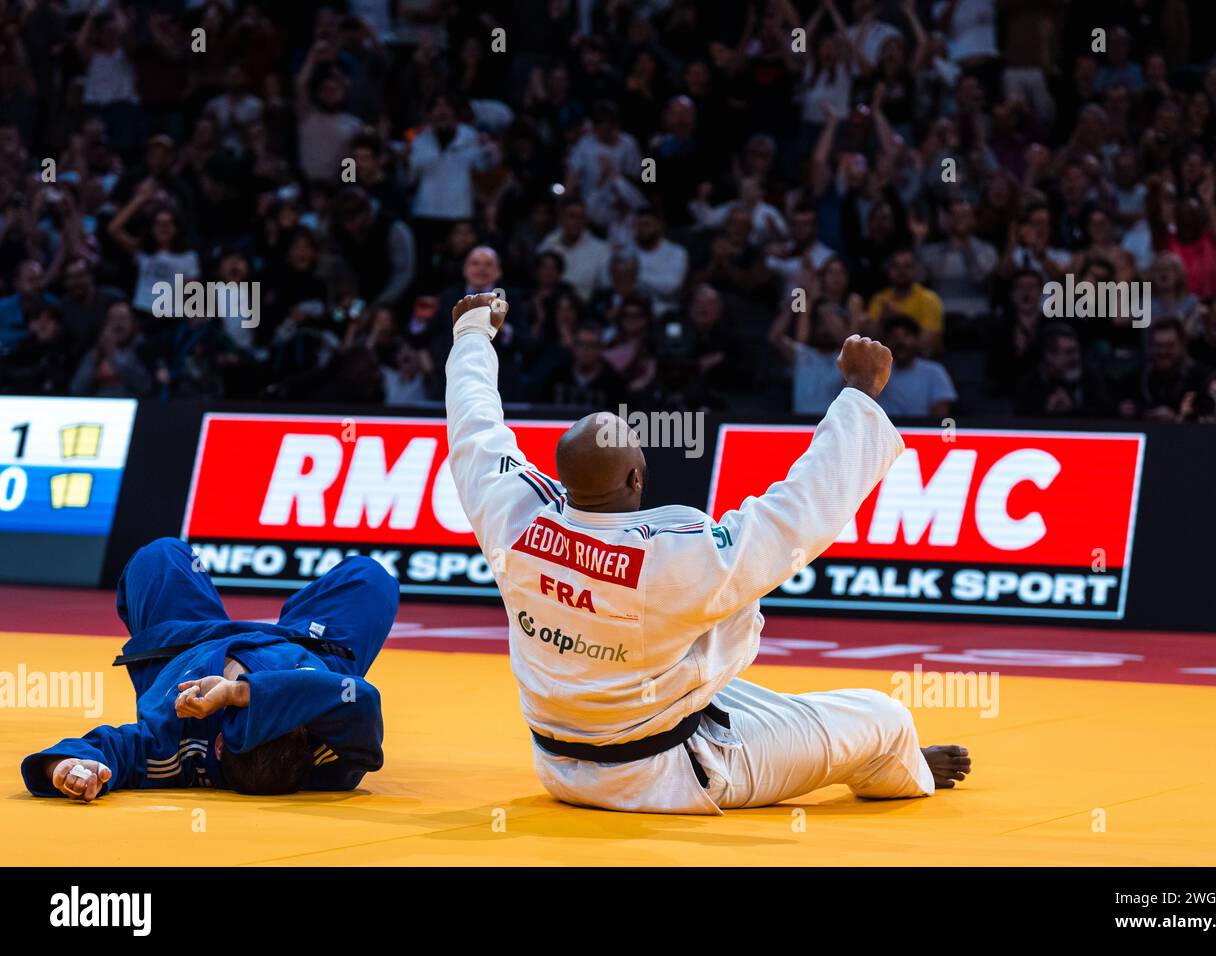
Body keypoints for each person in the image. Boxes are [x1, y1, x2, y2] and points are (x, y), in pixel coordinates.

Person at [443, 291, 969, 815]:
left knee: (755, 696)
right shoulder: (674, 560)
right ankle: (896, 763)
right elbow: (798, 514)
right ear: (636, 477)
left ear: (562, 478)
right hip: (667, 773)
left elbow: (474, 427)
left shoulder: (512, 518)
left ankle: (839, 748)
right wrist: (860, 392)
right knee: (884, 717)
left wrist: (472, 333)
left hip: (560, 764)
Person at [22, 537, 397, 801]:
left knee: (161, 556)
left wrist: (66, 767)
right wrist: (238, 693)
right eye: (293, 717)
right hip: (309, 645)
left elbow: (115, 751)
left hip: (188, 644)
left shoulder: (176, 746)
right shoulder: (329, 763)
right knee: (369, 575)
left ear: (218, 747)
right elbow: (359, 699)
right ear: (304, 731)